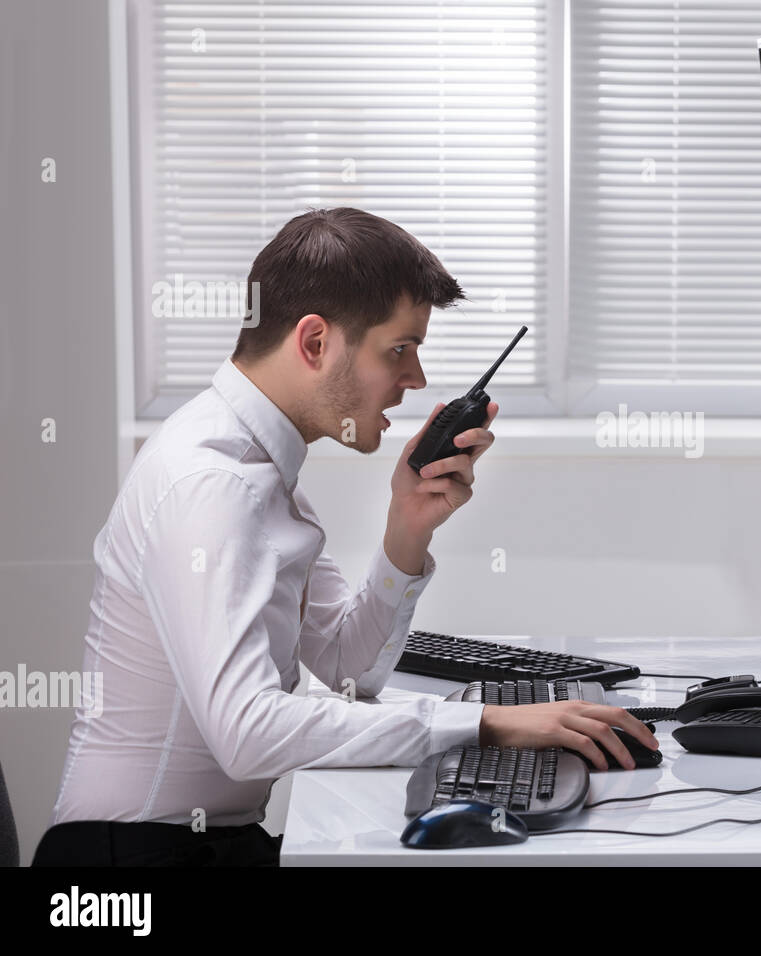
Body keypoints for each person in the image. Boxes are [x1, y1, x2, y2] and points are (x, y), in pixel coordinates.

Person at [34, 208, 656, 866]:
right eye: (399, 349)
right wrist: (485, 722)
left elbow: (348, 668)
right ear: (313, 343)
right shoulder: (212, 485)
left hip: (198, 844)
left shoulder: (265, 474)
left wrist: (406, 528)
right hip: (126, 865)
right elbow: (248, 733)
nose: (415, 378)